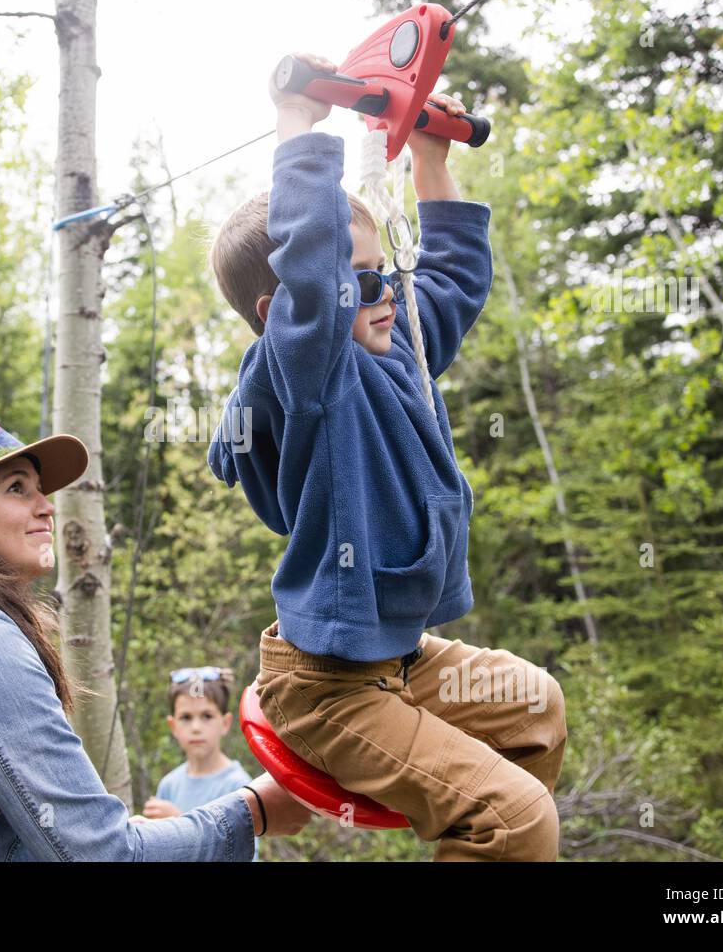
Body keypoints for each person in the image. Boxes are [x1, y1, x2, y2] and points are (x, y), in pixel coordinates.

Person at [205, 54, 567, 860]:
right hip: (326, 686)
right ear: (284, 314)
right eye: (359, 279)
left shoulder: (390, 346)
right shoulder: (307, 371)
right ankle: (487, 817)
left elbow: (453, 278)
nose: (386, 296)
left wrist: (433, 158)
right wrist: (298, 121)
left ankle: (462, 806)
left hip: (399, 660)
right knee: (519, 818)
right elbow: (311, 273)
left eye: (383, 274)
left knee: (537, 706)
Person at [0, 418, 312, 860]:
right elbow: (101, 856)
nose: (46, 507)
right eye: (17, 489)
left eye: (40, 490)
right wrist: (254, 811)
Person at [144, 668, 260, 860]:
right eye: (186, 717)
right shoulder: (169, 785)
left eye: (207, 716)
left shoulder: (238, 786)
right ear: (173, 726)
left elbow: (245, 856)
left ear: (225, 723)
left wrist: (178, 822)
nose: (196, 728)